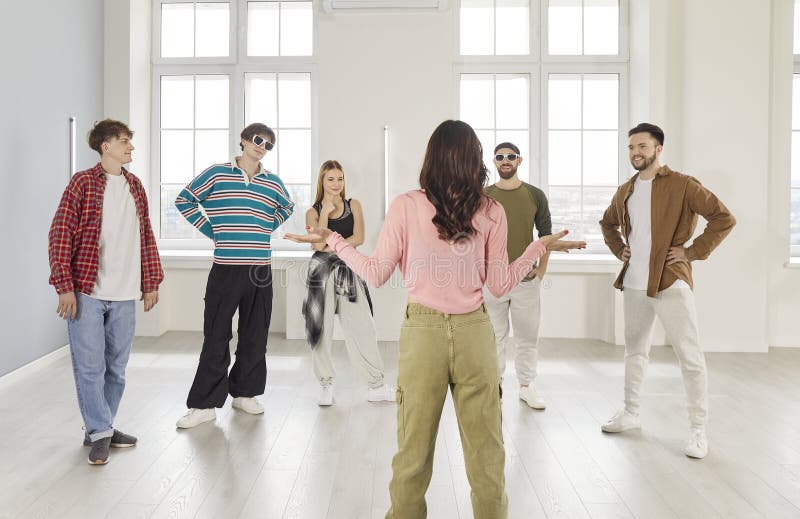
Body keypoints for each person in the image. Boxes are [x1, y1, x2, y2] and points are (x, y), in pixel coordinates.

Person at [287, 120, 585, 519]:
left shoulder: (407, 204)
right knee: (487, 455)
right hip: (475, 333)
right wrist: (536, 249)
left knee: (412, 452)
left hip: (422, 333)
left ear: (432, 157)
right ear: (475, 159)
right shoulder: (491, 209)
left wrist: (334, 241)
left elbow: (375, 273)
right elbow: (499, 285)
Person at [599, 123, 736, 459]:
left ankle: (697, 430)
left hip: (670, 281)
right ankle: (630, 413)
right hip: (634, 283)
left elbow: (723, 218)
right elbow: (607, 224)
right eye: (632, 147)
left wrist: (691, 251)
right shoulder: (626, 190)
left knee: (689, 358)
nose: (636, 152)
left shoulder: (683, 185)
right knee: (635, 352)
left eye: (643, 147)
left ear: (659, 149)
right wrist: (621, 251)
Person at [48, 119, 163, 465]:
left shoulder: (135, 187)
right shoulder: (83, 183)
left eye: (130, 141)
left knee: (116, 368)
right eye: (124, 141)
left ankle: (100, 428)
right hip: (86, 291)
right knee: (89, 367)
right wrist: (64, 287)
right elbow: (60, 235)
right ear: (105, 146)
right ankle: (100, 432)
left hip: (125, 291)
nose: (130, 147)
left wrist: (150, 281)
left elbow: (145, 236)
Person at [174, 123, 294, 429]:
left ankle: (246, 393)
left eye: (268, 144)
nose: (261, 146)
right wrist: (213, 230)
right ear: (243, 140)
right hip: (226, 268)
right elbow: (184, 200)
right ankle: (204, 404)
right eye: (257, 140)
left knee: (255, 334)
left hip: (259, 271)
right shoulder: (217, 174)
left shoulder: (273, 183)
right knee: (217, 335)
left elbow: (287, 207)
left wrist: (267, 226)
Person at [302, 160, 395, 406]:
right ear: (322, 181)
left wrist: (329, 241)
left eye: (340, 178)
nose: (336, 184)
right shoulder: (312, 211)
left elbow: (360, 237)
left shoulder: (354, 205)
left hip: (347, 269)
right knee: (321, 328)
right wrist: (324, 213)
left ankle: (375, 384)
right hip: (320, 272)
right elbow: (317, 245)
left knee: (361, 325)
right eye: (330, 179)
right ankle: (326, 384)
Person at [483, 142, 552, 409]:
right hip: (493, 281)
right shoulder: (484, 196)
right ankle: (494, 385)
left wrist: (542, 269)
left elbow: (545, 235)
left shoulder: (535, 195)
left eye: (510, 156)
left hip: (525, 280)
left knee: (527, 336)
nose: (505, 161)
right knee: (494, 337)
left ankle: (526, 386)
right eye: (500, 157)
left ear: (519, 161)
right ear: (495, 162)